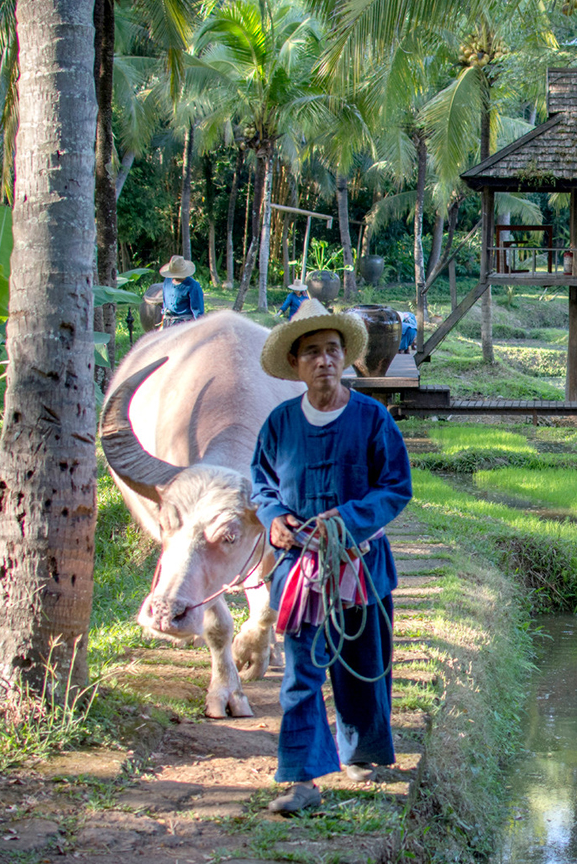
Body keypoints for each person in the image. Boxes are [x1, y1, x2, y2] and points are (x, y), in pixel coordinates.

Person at [250, 299, 412, 814]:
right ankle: (302, 780)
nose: (324, 360)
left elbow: (395, 488)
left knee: (362, 661)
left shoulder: (372, 418)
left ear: (345, 359)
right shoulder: (278, 424)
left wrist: (347, 521)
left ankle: (362, 750)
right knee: (301, 672)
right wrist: (274, 516)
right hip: (302, 570)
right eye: (313, 352)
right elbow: (261, 483)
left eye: (332, 350)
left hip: (360, 564)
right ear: (296, 365)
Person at [160, 255, 205, 327]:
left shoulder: (193, 286)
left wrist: (199, 325)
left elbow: (197, 310)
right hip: (168, 321)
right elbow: (165, 301)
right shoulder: (167, 281)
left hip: (184, 323)